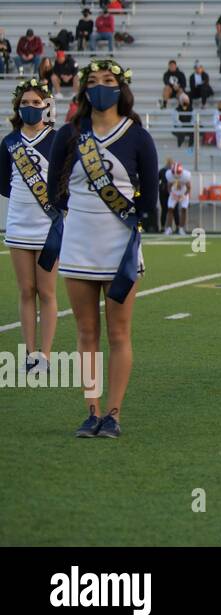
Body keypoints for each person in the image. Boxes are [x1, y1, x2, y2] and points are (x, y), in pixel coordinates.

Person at [45, 59, 159, 438]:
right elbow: (54, 191)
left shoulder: (138, 136)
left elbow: (149, 200)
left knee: (119, 333)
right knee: (85, 333)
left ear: (121, 88)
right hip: (79, 242)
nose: (100, 87)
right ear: (83, 90)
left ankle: (114, 412)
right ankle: (91, 410)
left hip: (119, 245)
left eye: (108, 80)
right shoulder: (68, 134)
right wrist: (83, 212)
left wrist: (119, 217)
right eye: (92, 81)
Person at [2, 79, 59, 374]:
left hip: (48, 226)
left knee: (46, 291)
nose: (30, 108)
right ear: (17, 107)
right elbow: (4, 183)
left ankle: (44, 355)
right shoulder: (10, 142)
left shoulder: (57, 139)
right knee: (26, 290)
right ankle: (29, 354)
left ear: (46, 106)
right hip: (18, 224)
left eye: (35, 103)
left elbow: (65, 181)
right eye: (24, 103)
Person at [163, 158, 192, 234]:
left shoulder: (186, 175)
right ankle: (169, 228)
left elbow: (189, 188)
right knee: (170, 209)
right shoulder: (169, 175)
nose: (176, 177)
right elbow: (168, 187)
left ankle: (181, 228)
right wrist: (172, 194)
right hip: (174, 192)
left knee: (184, 209)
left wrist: (184, 196)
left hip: (184, 192)